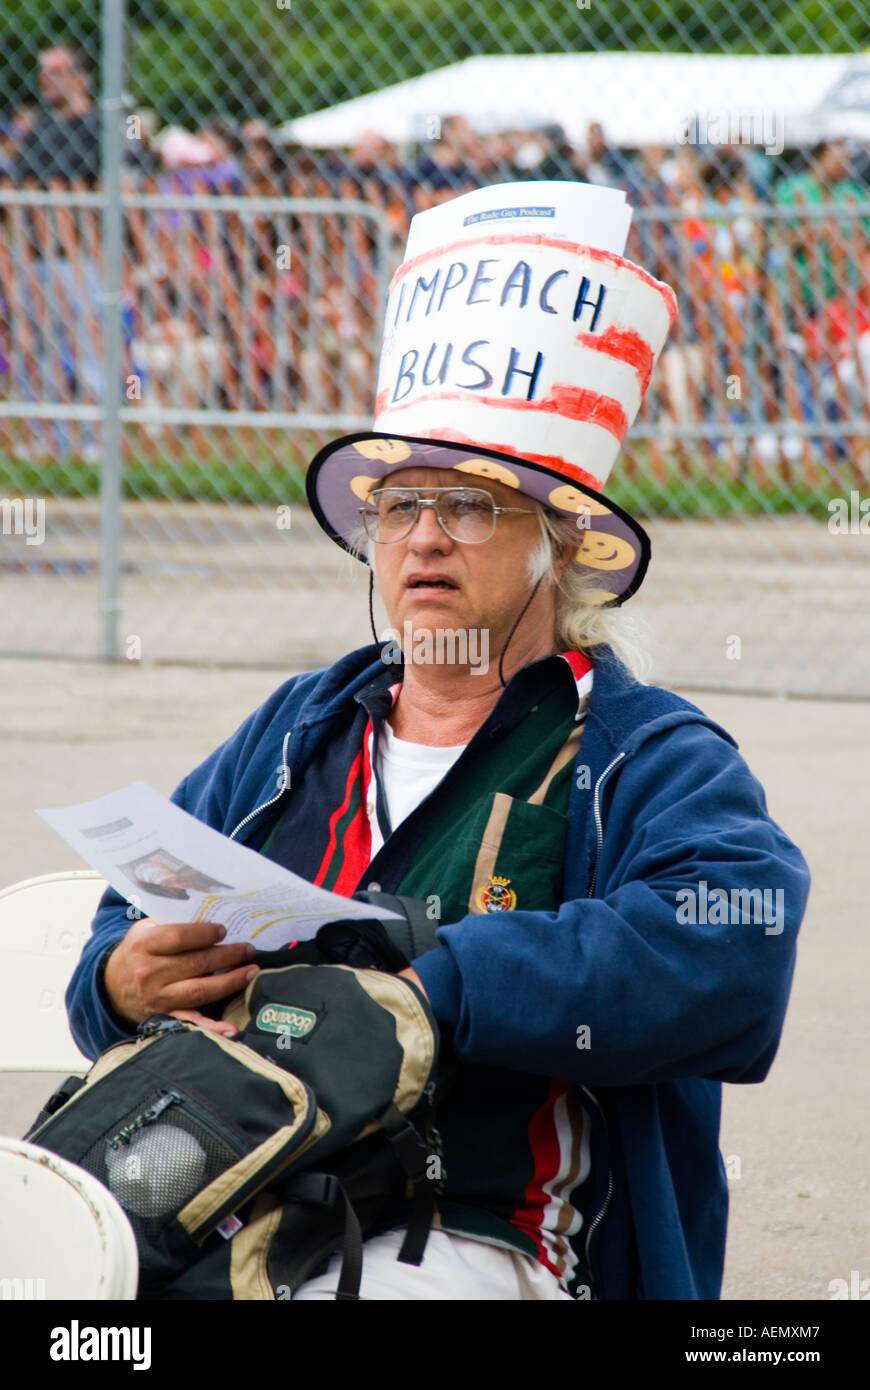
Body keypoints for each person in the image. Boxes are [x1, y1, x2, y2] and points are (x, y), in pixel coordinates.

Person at [66, 181, 810, 1301]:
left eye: (469, 504)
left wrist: (437, 987)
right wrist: (121, 980)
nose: (422, 536)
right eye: (399, 505)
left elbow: (738, 947)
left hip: (471, 1237)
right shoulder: (297, 725)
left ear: (561, 544)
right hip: (223, 1207)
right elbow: (127, 915)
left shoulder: (640, 750)